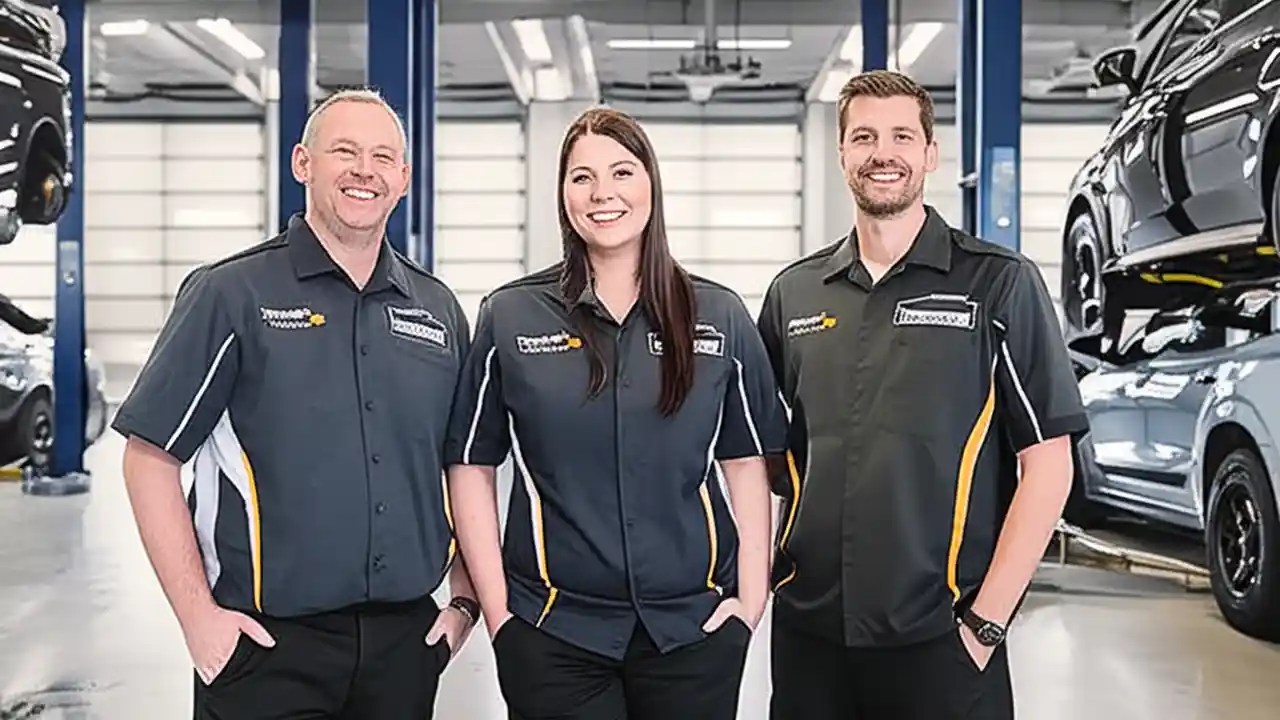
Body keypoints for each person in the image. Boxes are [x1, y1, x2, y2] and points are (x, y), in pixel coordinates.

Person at [111, 88, 480, 719]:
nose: (365, 170)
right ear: (302, 163)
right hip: (266, 653)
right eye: (345, 151)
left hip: (405, 649)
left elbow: (465, 468)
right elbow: (150, 459)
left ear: (403, 179)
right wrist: (199, 621)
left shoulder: (438, 310)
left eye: (382, 157)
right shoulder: (231, 294)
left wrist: (464, 603)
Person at [758, 70, 1088, 718]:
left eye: (902, 136)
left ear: (931, 154)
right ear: (842, 153)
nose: (883, 153)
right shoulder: (794, 294)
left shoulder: (999, 286)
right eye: (864, 137)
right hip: (809, 638)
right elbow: (765, 456)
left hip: (944, 640)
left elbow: (1049, 464)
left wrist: (985, 625)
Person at [443, 106, 786, 720]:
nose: (603, 193)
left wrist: (750, 603)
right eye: (583, 177)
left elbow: (747, 462)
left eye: (622, 172)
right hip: (553, 632)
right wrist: (500, 616)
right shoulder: (511, 315)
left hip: (694, 631)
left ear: (651, 183)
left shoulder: (719, 316)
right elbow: (470, 464)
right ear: (563, 195)